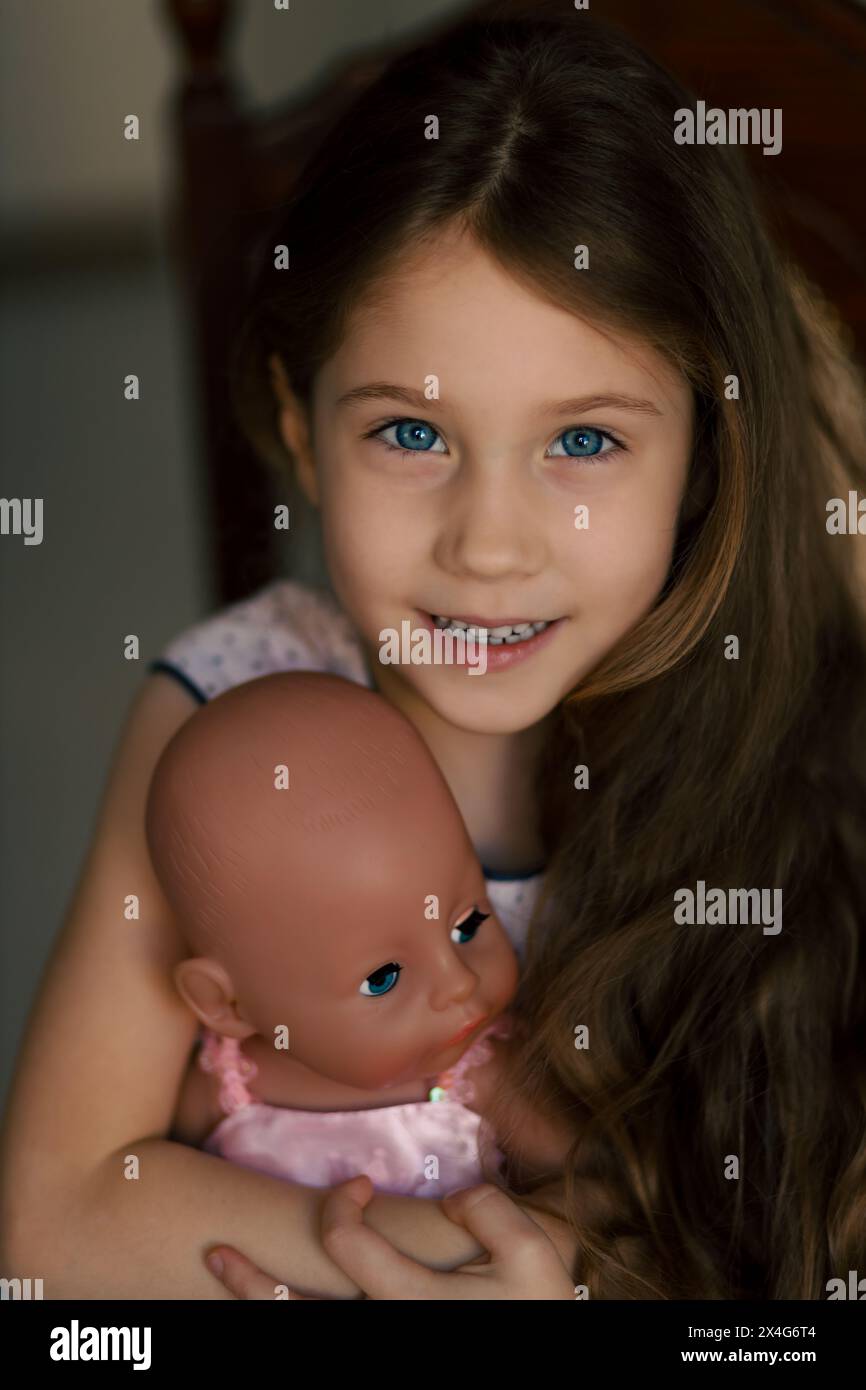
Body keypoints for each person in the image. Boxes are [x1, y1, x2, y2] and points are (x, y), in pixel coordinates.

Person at [2, 10, 865, 1300]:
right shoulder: (237, 707)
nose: (491, 545)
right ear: (301, 429)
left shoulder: (802, 714)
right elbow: (58, 1211)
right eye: (411, 434)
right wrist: (438, 1275)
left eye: (584, 441)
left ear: (701, 456)